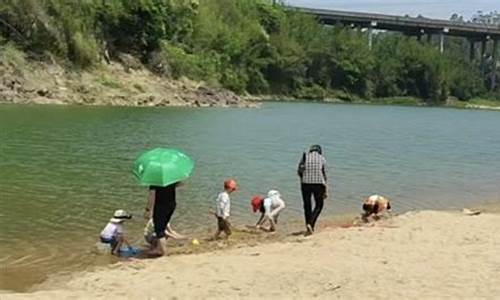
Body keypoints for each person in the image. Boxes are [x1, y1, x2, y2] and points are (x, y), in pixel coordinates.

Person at [297, 144, 328, 235]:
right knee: (319, 205)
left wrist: (303, 181)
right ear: (319, 151)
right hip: (318, 184)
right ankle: (311, 224)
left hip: (305, 184)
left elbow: (299, 172)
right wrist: (326, 189)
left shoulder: (304, 157)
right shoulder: (322, 159)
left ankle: (308, 225)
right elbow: (323, 175)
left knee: (307, 205)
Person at [144, 182, 181, 256]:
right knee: (162, 227)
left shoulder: (154, 182)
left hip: (161, 207)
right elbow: (180, 184)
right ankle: (158, 248)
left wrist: (148, 210)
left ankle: (163, 252)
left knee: (159, 230)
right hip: (171, 205)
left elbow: (152, 196)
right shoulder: (170, 180)